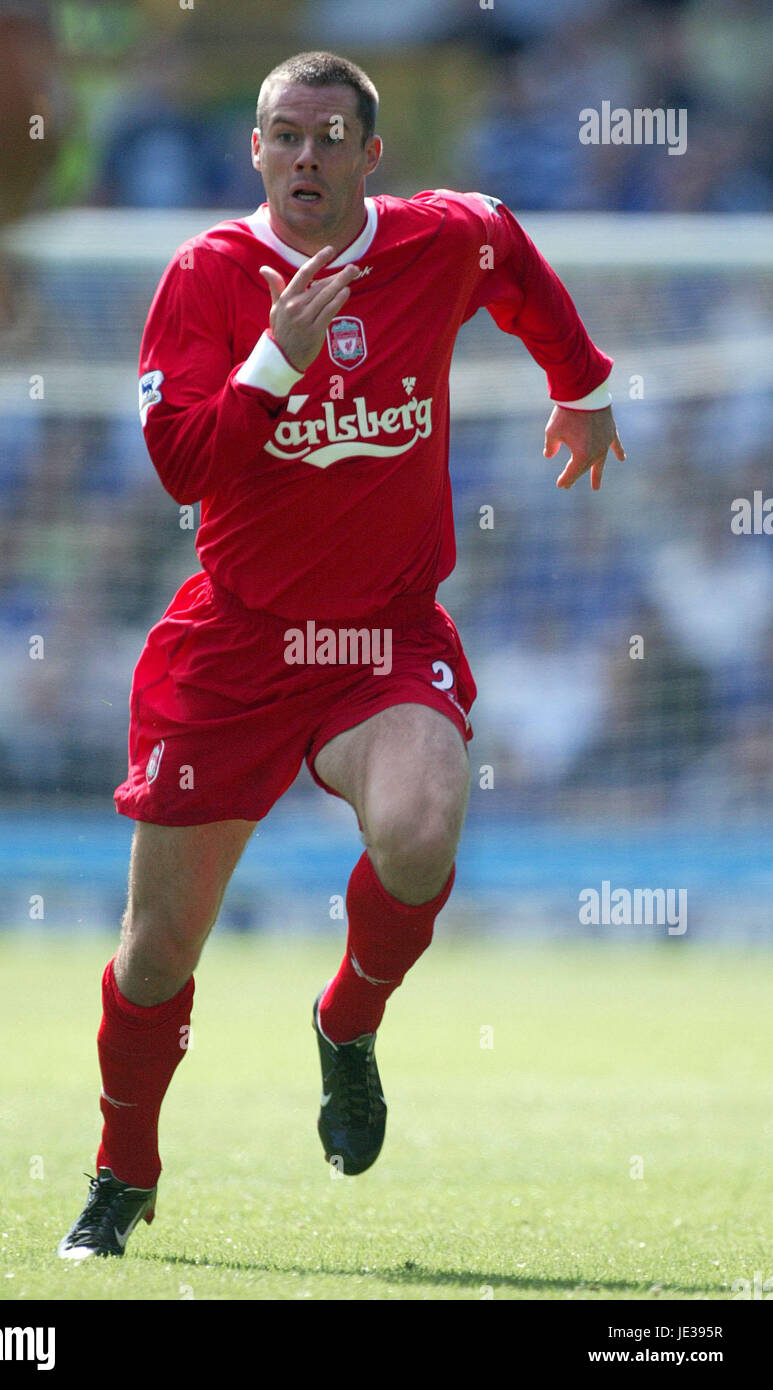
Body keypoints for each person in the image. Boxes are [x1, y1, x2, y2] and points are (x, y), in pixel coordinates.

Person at [58, 50, 624, 1259]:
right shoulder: (208, 276)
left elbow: (506, 248)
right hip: (237, 643)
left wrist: (580, 383)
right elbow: (183, 468)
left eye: (328, 136)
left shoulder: (435, 244)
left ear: (371, 156)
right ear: (253, 151)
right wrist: (275, 361)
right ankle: (122, 1172)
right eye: (282, 135)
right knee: (157, 950)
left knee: (422, 830)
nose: (303, 155)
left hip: (381, 638)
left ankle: (346, 1021)